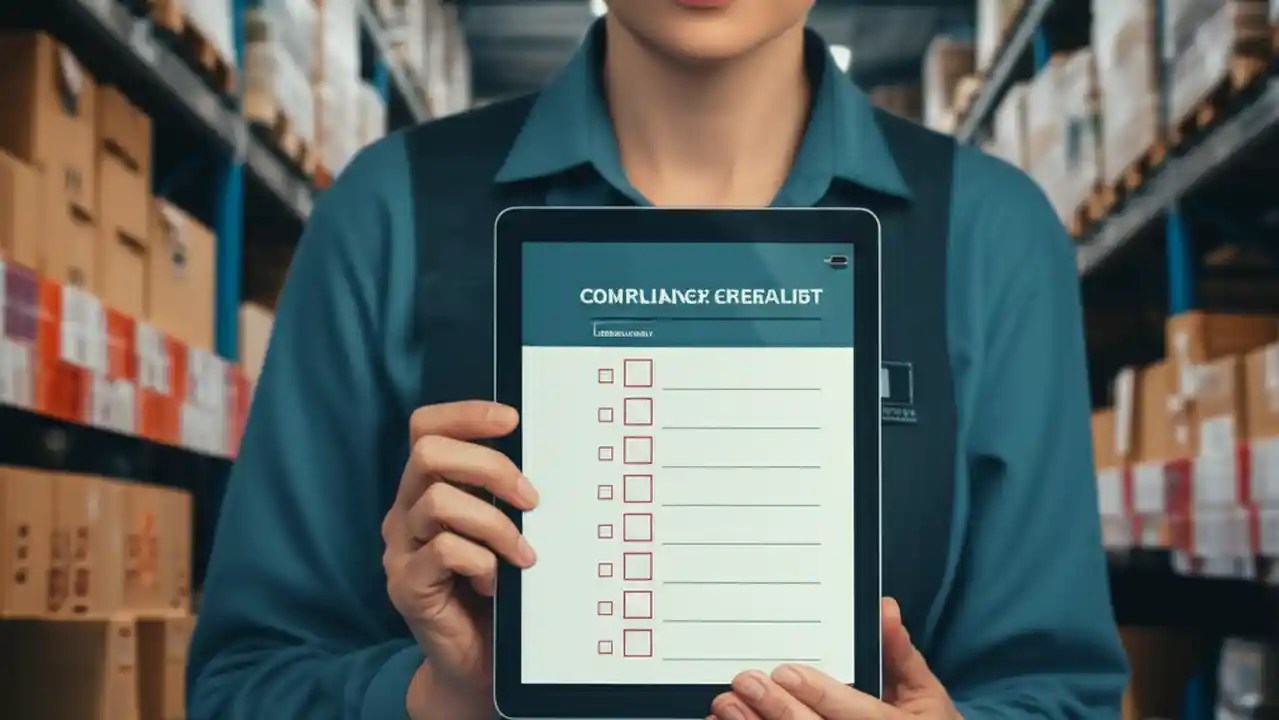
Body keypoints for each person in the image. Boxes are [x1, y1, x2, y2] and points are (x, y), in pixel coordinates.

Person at [187, 0, 1129, 718]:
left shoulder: (989, 235)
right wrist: (442, 696)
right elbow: (242, 681)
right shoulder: (390, 212)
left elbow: (1057, 688)